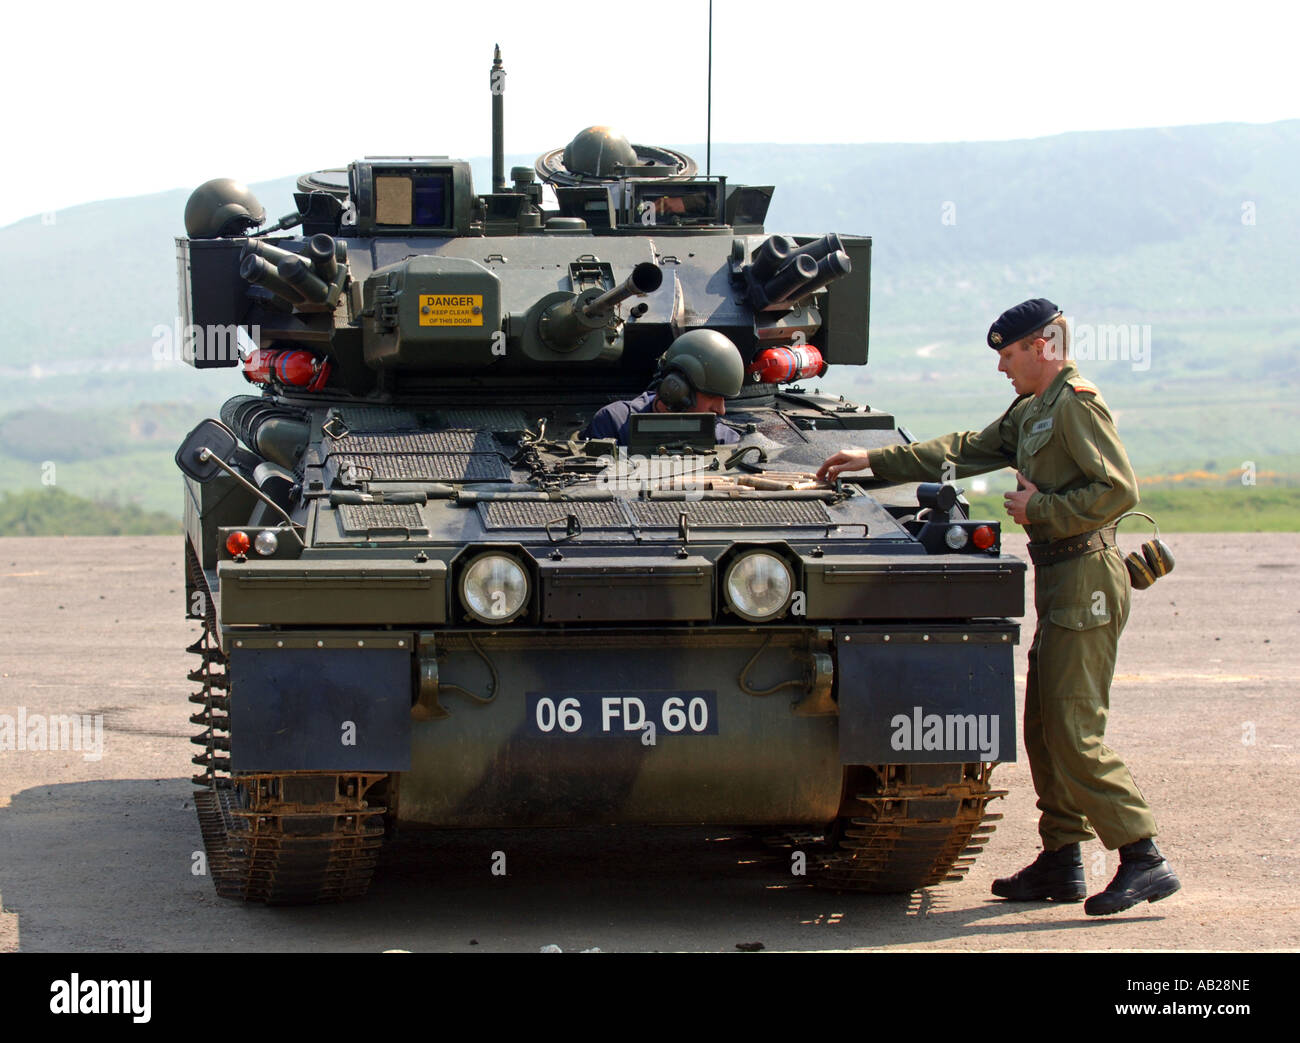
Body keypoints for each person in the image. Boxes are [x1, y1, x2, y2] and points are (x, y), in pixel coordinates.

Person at [816, 298, 1180, 916]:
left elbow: (1119, 489)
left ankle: (1143, 856)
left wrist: (1040, 511)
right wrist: (873, 461)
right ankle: (1063, 858)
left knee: (1073, 729)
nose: (1002, 367)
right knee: (1043, 726)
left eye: (1008, 354)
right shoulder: (1034, 410)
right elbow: (966, 447)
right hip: (1061, 578)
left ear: (1042, 346)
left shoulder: (1076, 403)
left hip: (1088, 575)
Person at [581, 328, 744, 445]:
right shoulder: (614, 423)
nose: (721, 410)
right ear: (676, 389)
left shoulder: (719, 437)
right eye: (711, 396)